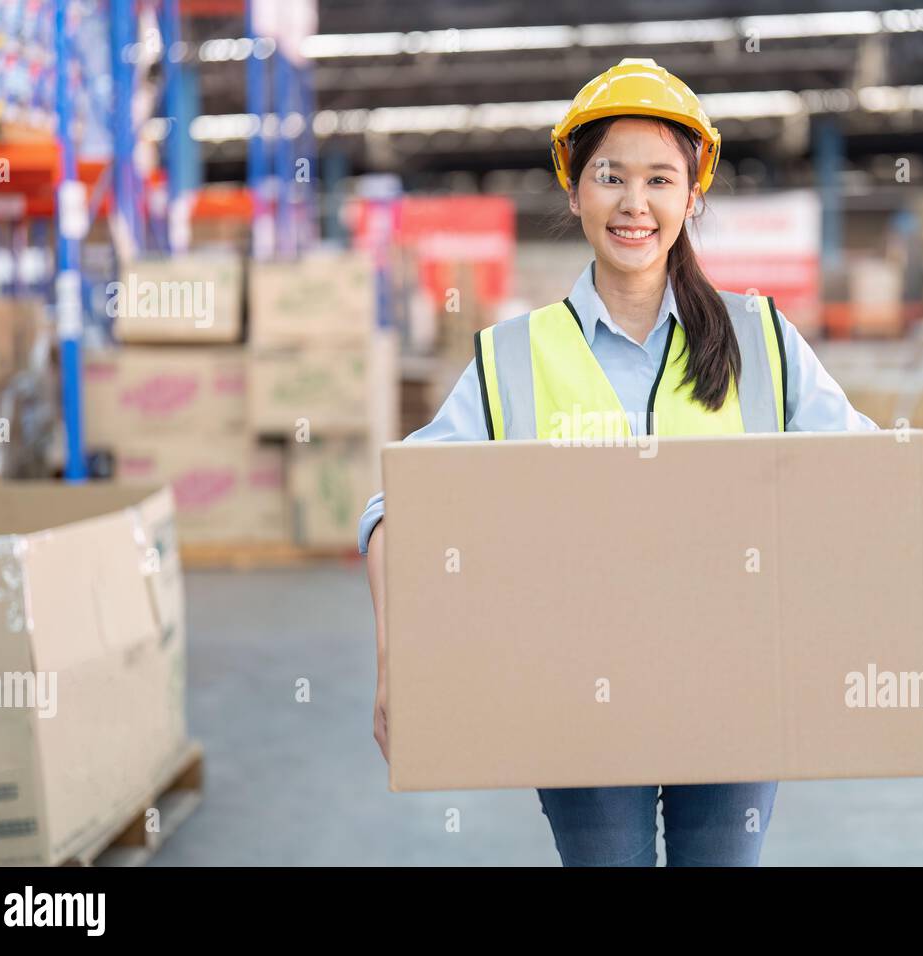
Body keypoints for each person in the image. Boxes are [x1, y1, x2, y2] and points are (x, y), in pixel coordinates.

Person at [360, 57, 878, 866]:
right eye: (610, 177)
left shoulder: (761, 341)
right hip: (578, 707)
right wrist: (397, 663)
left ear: (692, 195)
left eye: (661, 181)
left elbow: (869, 480)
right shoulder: (513, 358)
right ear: (574, 191)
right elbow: (396, 510)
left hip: (731, 695)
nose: (635, 204)